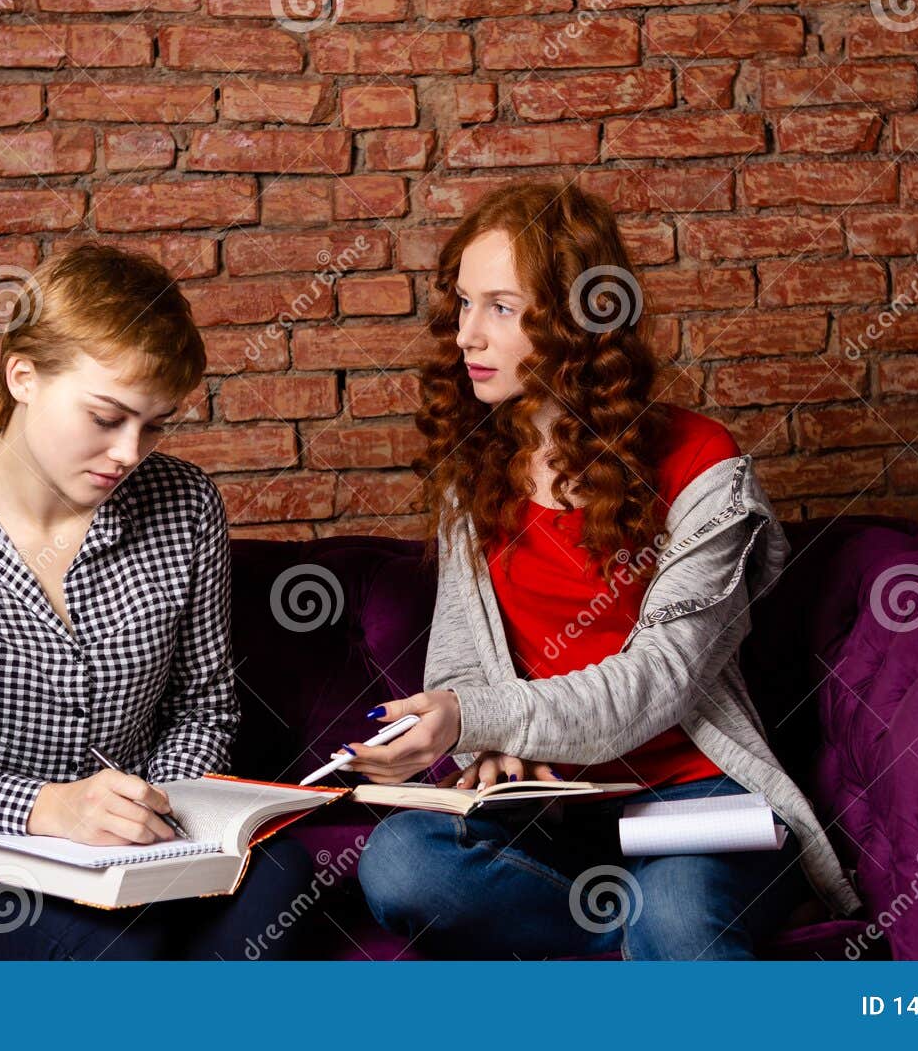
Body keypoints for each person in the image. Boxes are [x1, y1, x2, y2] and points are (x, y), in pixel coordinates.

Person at [347, 180, 864, 959]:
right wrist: (479, 745)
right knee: (399, 863)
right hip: (553, 807)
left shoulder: (705, 473)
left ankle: (640, 944)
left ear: (575, 321)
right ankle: (634, 955)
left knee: (682, 922)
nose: (465, 336)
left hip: (693, 799)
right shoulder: (475, 469)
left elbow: (657, 682)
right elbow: (460, 657)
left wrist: (474, 715)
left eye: (500, 307)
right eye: (462, 303)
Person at [0, 242, 312, 960]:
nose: (129, 452)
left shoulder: (186, 506)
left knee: (287, 877)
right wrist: (46, 808)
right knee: (111, 947)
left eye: (154, 425)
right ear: (23, 376)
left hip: (122, 855)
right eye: (106, 415)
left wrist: (145, 807)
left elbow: (203, 708)